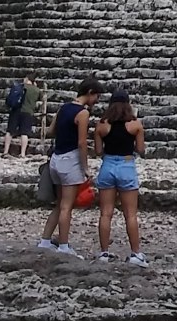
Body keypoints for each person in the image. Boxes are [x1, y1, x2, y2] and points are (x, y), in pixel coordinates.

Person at [38, 78, 101, 254]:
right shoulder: (82, 113)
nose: (96, 101)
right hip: (70, 160)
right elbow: (81, 143)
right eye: (97, 96)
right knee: (67, 206)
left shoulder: (63, 108)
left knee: (59, 204)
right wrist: (86, 167)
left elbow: (50, 131)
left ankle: (45, 240)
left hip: (56, 159)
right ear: (90, 93)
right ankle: (64, 245)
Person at [93, 89, 147, 265]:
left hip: (107, 165)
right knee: (130, 214)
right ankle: (135, 253)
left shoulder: (101, 125)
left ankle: (104, 253)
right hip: (126, 164)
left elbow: (99, 151)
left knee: (105, 213)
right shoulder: (135, 125)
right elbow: (140, 150)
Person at [3, 72, 40, 159]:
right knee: (24, 133)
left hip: (16, 110)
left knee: (10, 131)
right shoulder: (36, 90)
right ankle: (22, 153)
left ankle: (5, 151)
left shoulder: (21, 86)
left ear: (27, 79)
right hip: (28, 112)